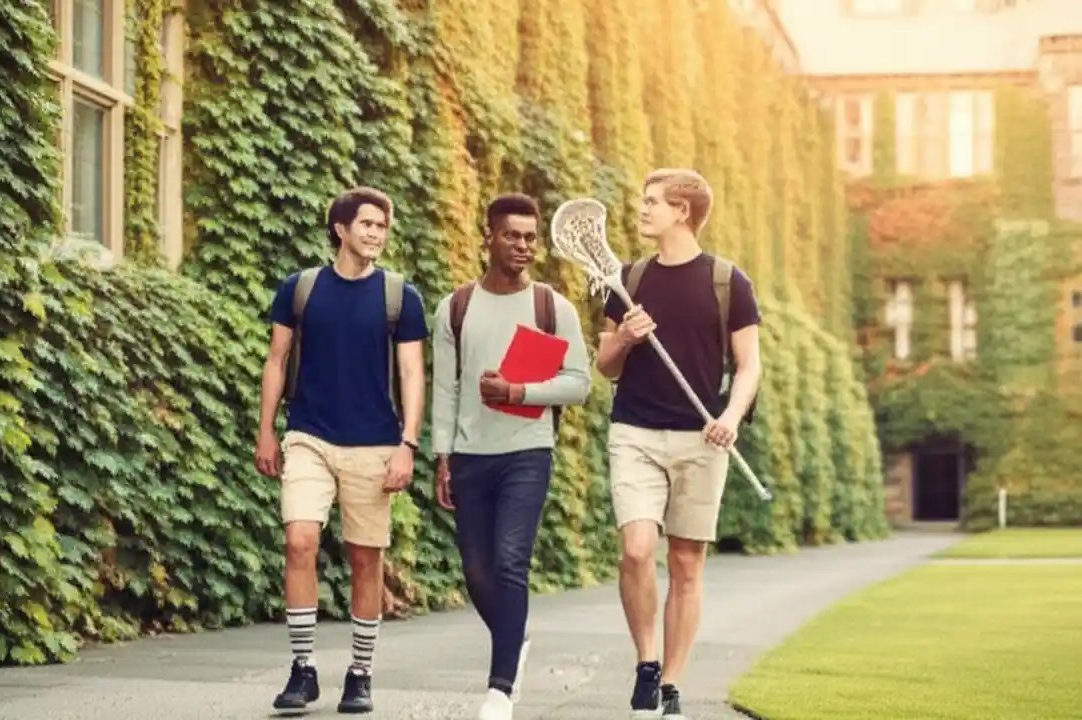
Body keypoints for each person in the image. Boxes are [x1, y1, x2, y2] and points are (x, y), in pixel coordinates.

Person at [595, 169, 763, 720]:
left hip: (702, 439)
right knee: (637, 549)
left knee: (687, 565)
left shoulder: (727, 281)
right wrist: (625, 336)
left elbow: (748, 365)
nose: (641, 210)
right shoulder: (628, 279)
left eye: (652, 202)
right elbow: (606, 367)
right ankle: (647, 663)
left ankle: (671, 683)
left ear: (682, 212)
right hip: (636, 433)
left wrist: (731, 416)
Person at [254, 186, 429, 715]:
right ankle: (303, 670)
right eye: (367, 224)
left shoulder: (401, 296)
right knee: (300, 540)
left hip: (374, 442)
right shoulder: (300, 289)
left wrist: (408, 444)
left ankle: (360, 673)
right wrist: (266, 429)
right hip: (308, 434)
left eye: (382, 226)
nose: (376, 233)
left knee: (364, 558)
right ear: (341, 228)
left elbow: (412, 371)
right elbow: (277, 360)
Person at [431, 193, 592, 720]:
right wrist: (442, 455)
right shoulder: (455, 307)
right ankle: (514, 638)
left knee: (508, 563)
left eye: (530, 237)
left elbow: (578, 384)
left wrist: (518, 392)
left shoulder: (553, 307)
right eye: (512, 235)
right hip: (471, 454)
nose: (523, 245)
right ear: (489, 237)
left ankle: (500, 689)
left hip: (528, 452)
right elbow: (447, 390)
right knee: (476, 570)